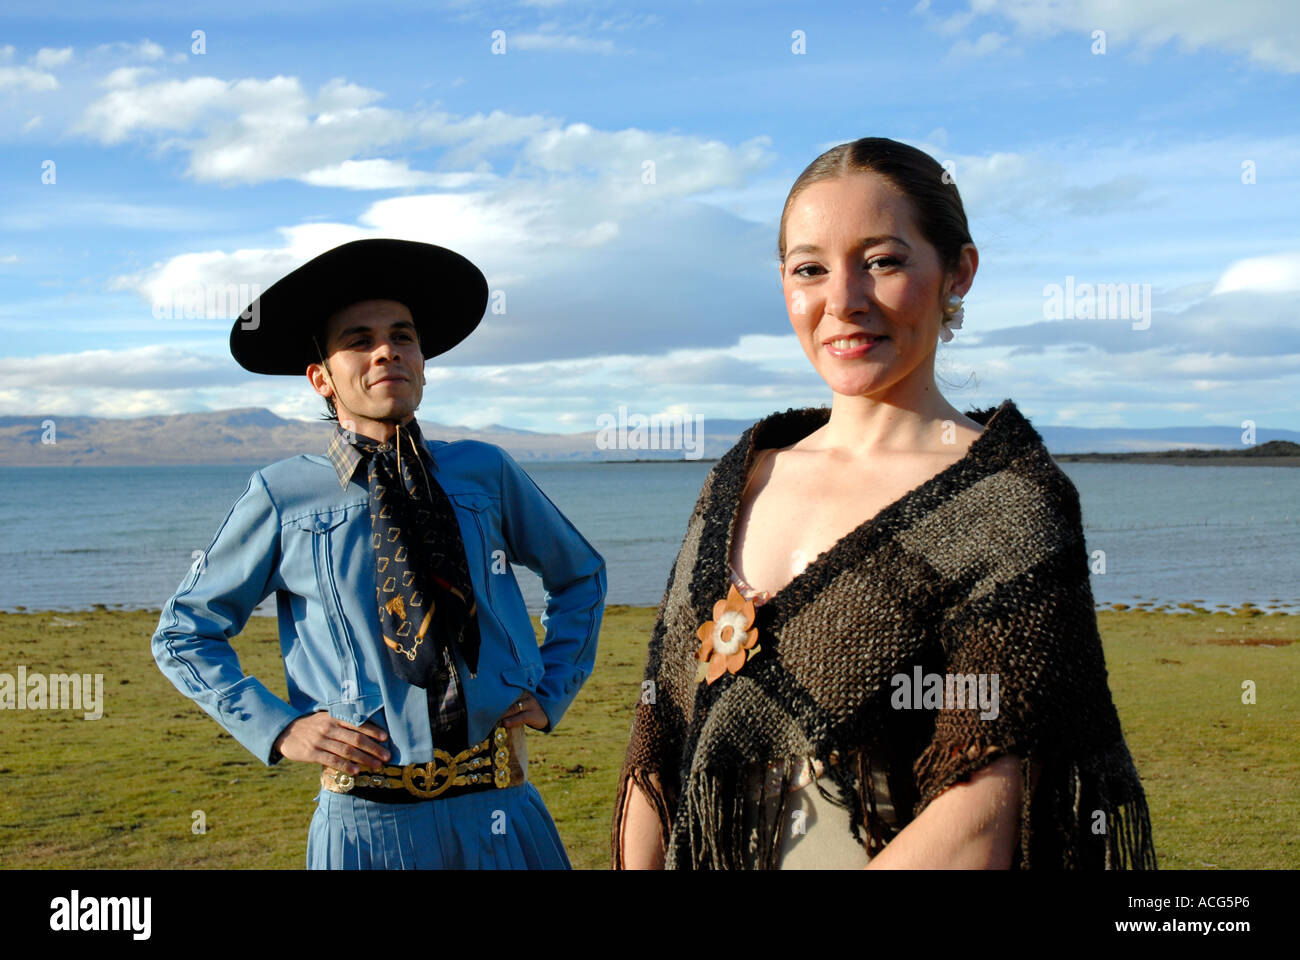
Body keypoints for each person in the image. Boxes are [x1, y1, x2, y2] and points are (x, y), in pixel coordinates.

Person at [612, 138, 1156, 870]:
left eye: (883, 261)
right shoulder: (739, 479)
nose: (843, 301)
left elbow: (983, 806)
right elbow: (662, 730)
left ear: (957, 271)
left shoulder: (1008, 506)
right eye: (811, 269)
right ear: (784, 284)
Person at [152, 238, 605, 869]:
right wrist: (280, 728)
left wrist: (553, 687)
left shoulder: (485, 472)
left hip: (501, 814)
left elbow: (581, 574)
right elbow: (183, 632)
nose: (386, 350)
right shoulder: (284, 495)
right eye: (358, 340)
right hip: (365, 831)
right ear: (321, 379)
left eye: (403, 336)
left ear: (422, 362)